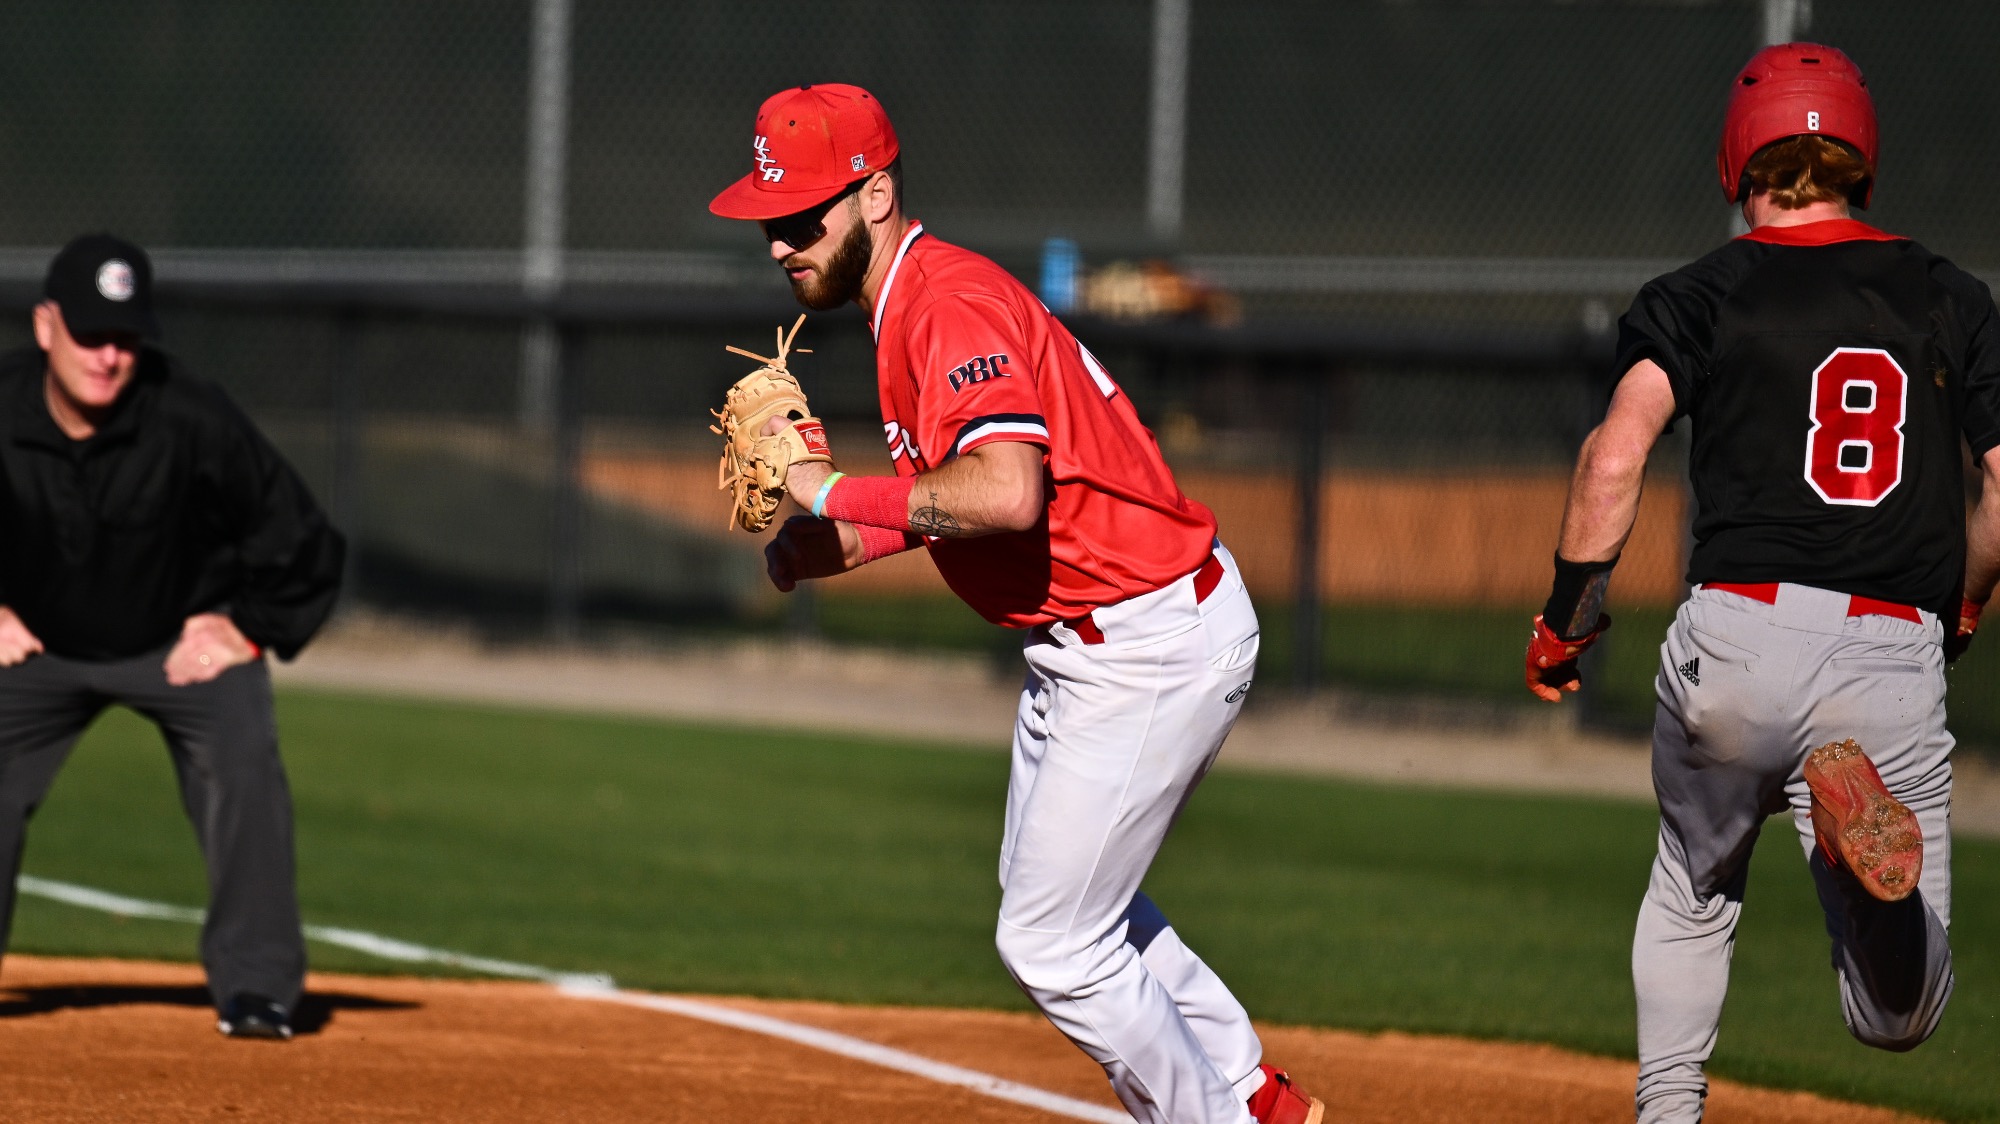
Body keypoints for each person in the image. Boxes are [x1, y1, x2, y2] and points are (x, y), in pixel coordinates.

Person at [709, 85, 1324, 1124]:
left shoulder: (944, 306)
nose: (780, 243)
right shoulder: (910, 303)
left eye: (802, 216)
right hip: (1099, 636)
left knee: (1053, 941)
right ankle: (1248, 1093)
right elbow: (954, 497)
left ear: (874, 194)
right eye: (770, 220)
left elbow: (1004, 494)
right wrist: (835, 541)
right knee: (1064, 904)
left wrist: (827, 489)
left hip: (1146, 637)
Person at [1523, 45, 2000, 1122]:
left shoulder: (1700, 292)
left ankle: (1666, 1109)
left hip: (1732, 639)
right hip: (1887, 647)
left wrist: (1566, 620)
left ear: (1737, 159)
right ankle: (1872, 885)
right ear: (1861, 156)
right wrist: (1966, 600)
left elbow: (1613, 458)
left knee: (1691, 888)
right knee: (1896, 1017)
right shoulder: (1949, 297)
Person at [0, 234, 345, 1040]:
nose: (109, 357)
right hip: (35, 650)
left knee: (242, 760)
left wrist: (247, 628)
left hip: (176, 649)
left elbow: (301, 539)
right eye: (90, 334)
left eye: (126, 338)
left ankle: (257, 987)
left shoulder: (191, 415)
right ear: (46, 326)